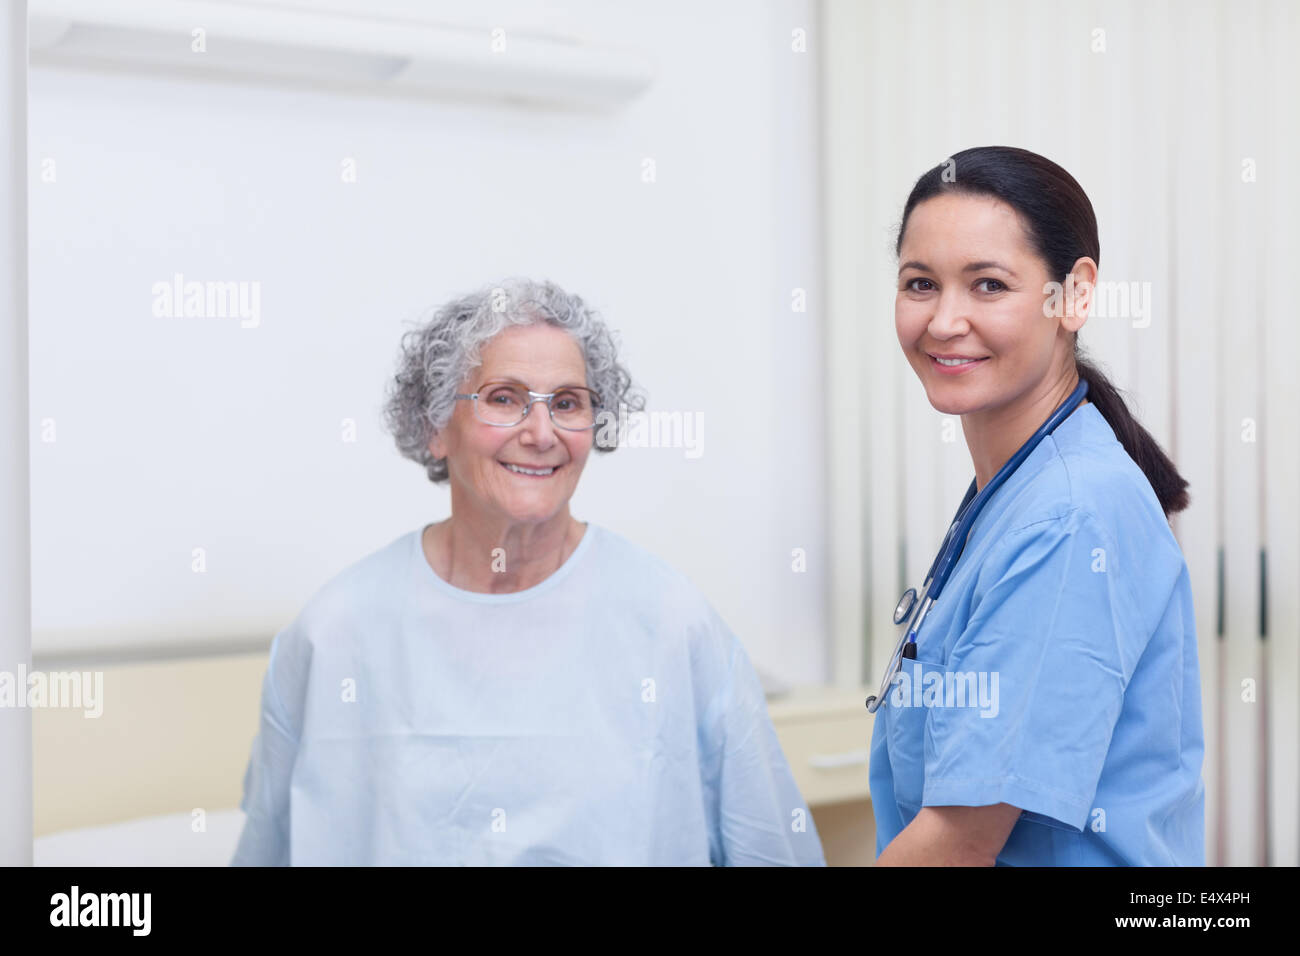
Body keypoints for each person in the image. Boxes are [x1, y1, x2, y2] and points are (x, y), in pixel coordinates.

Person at [231, 277, 824, 866]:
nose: (540, 434)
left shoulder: (672, 622)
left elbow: (770, 850)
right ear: (436, 425)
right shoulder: (336, 632)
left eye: (567, 403)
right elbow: (267, 851)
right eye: (504, 398)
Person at [869, 146, 1205, 866]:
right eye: (920, 283)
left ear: (1073, 295)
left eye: (988, 285)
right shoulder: (1018, 489)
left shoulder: (1071, 513)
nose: (944, 321)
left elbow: (959, 839)